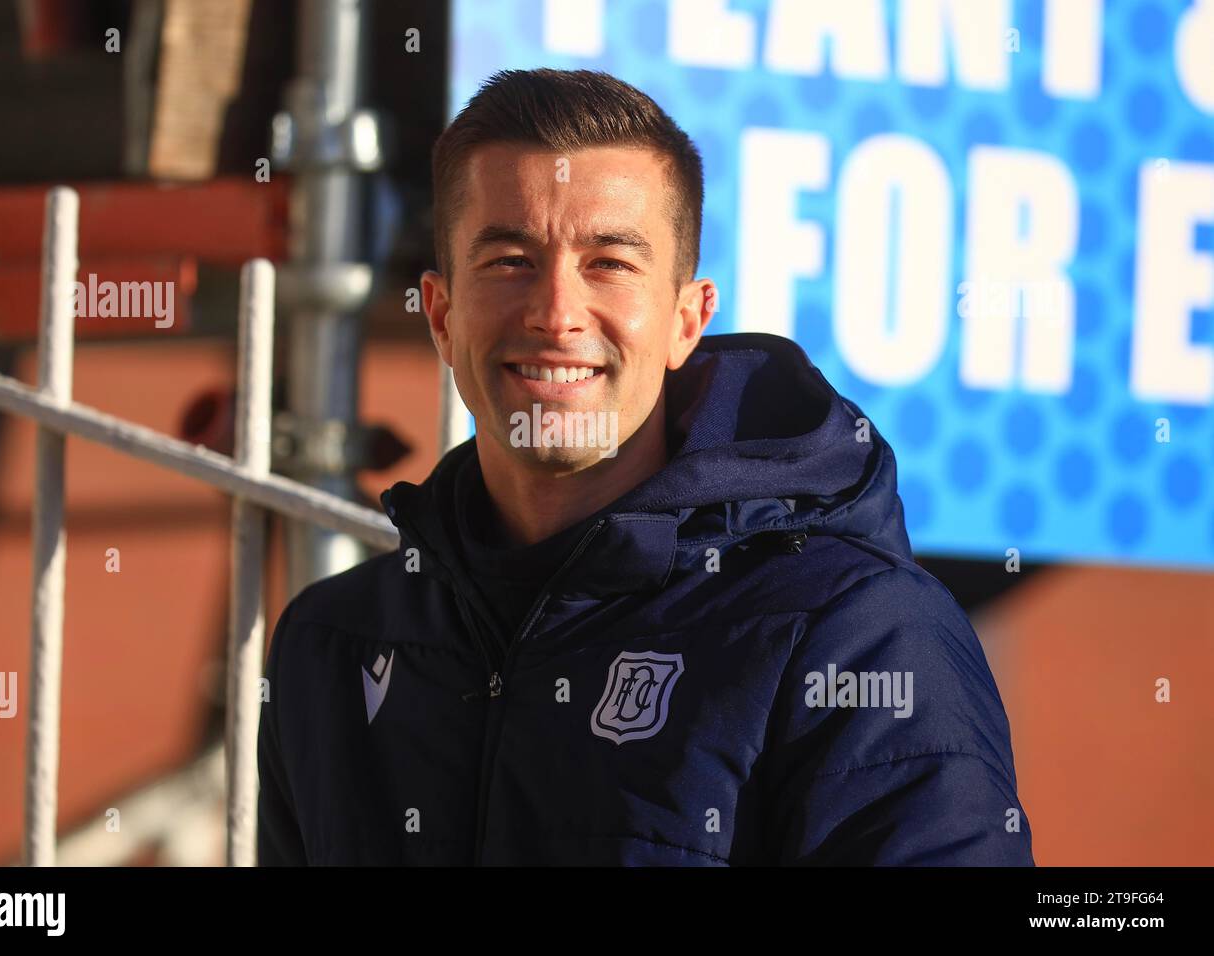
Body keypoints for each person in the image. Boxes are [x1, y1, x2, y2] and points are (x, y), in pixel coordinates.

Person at [257, 67, 1034, 866]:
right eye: (510, 260)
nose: (556, 314)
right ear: (443, 315)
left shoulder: (856, 634)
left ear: (686, 321)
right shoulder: (331, 644)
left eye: (609, 263)